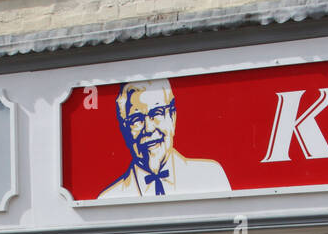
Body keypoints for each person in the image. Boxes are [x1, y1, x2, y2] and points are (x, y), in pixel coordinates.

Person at [98, 79, 230, 199]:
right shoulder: (107, 198)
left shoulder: (211, 176)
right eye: (137, 119)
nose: (149, 129)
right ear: (125, 129)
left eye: (156, 113)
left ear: (172, 117)